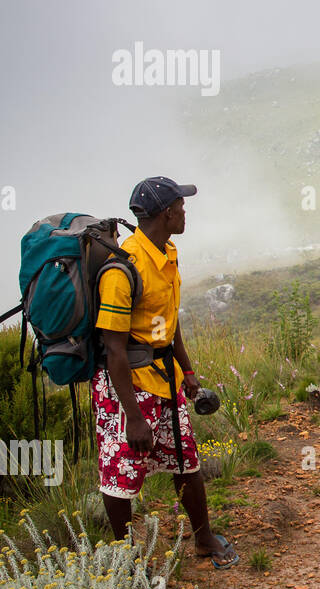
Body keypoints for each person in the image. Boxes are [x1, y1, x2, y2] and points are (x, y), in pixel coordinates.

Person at [93, 176, 238, 567]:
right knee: (122, 475)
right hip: (128, 389)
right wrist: (134, 417)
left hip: (164, 379)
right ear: (165, 212)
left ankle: (204, 538)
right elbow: (114, 349)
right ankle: (129, 561)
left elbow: (168, 323)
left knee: (186, 461)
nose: (185, 211)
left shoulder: (167, 253)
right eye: (180, 205)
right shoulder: (120, 271)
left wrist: (187, 372)